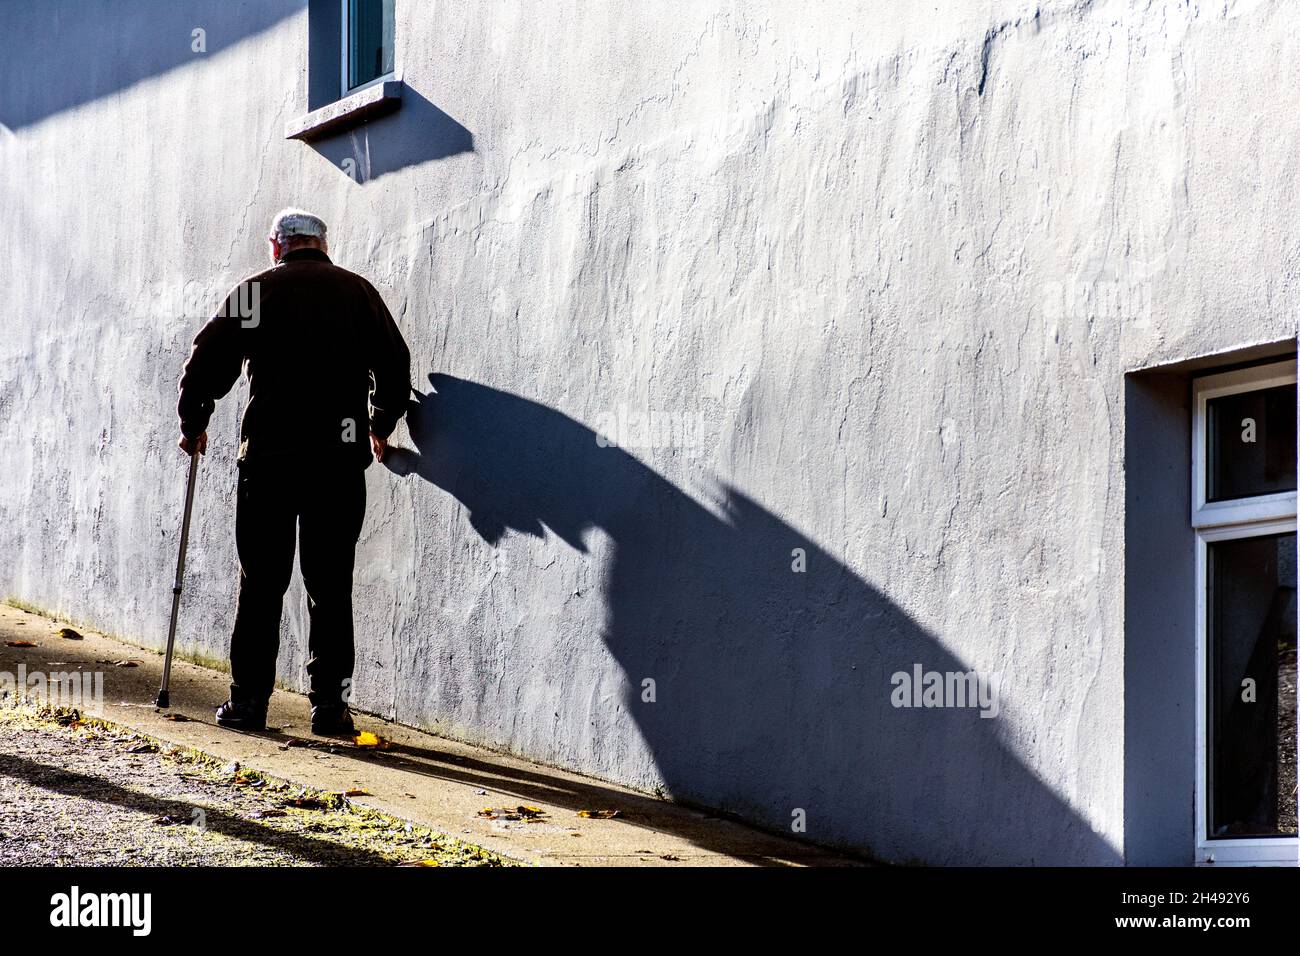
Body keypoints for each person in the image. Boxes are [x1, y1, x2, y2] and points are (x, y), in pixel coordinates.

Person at [176, 208, 410, 734]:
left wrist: (195, 422)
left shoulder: (257, 292)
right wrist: (380, 422)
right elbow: (394, 364)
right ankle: (330, 707)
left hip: (269, 461)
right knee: (330, 585)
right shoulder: (356, 293)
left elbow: (207, 363)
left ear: (276, 246)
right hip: (337, 463)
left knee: (261, 583)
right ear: (323, 244)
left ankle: (248, 704)